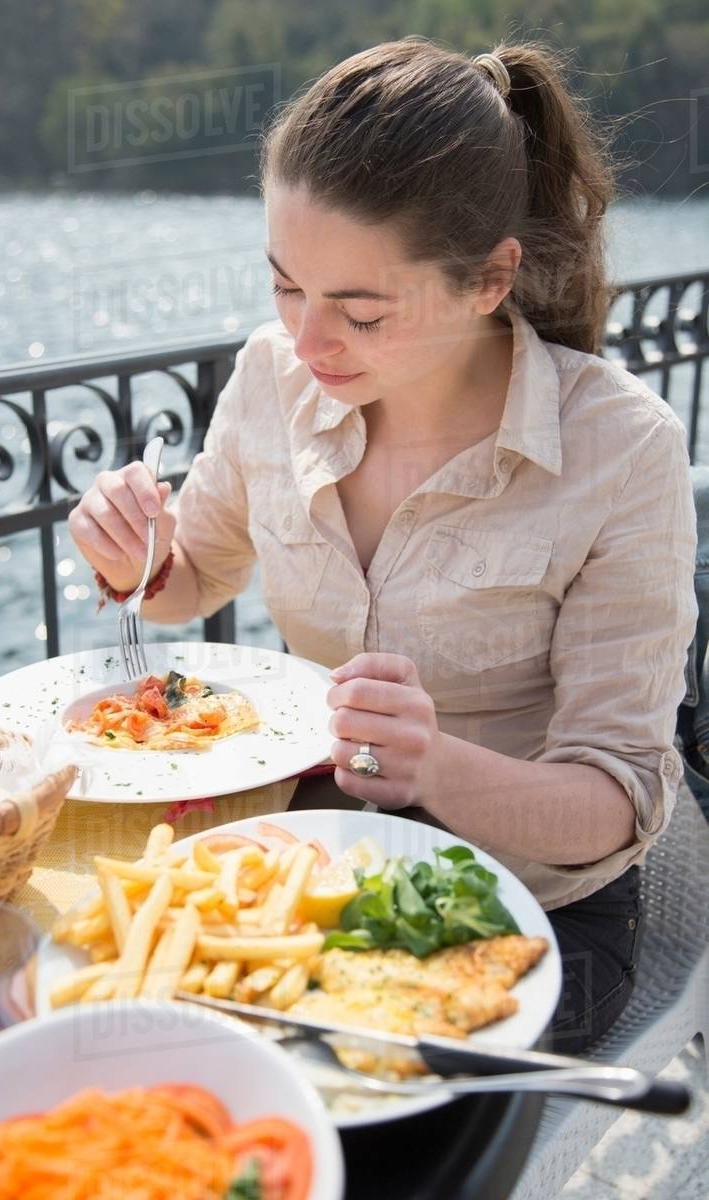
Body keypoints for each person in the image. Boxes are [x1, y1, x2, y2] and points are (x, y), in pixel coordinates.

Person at [69, 37, 698, 1053]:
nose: (307, 343)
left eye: (360, 312)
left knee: (310, 1064)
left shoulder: (621, 449)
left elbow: (615, 804)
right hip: (308, 863)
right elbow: (191, 578)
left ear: (491, 280)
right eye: (286, 288)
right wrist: (130, 552)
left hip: (522, 919)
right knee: (101, 1015)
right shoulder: (275, 376)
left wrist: (433, 766)